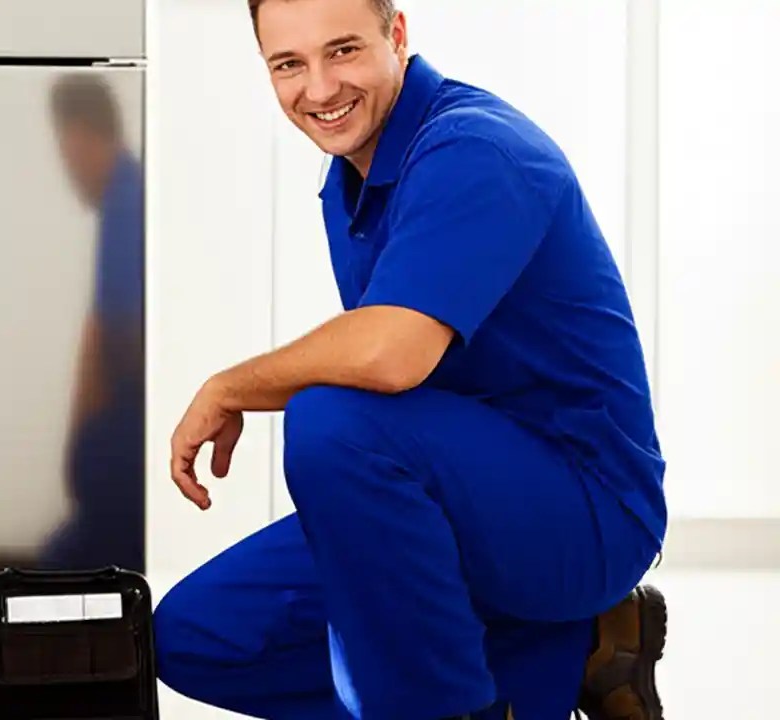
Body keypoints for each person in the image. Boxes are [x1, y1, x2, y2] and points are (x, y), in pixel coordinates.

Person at [153, 1, 668, 719]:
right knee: (196, 636)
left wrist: (230, 387)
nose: (321, 88)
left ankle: (455, 705)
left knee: (332, 421)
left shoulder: (475, 152)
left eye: (343, 51)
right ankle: (574, 651)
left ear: (397, 36)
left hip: (582, 513)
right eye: (289, 64)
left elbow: (391, 358)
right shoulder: (352, 179)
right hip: (452, 493)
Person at [38, 74, 147, 574]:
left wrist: (88, 430)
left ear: (83, 136)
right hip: (117, 450)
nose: (68, 169)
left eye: (67, 153)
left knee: (60, 576)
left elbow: (116, 329)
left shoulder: (128, 202)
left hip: (123, 449)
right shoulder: (125, 200)